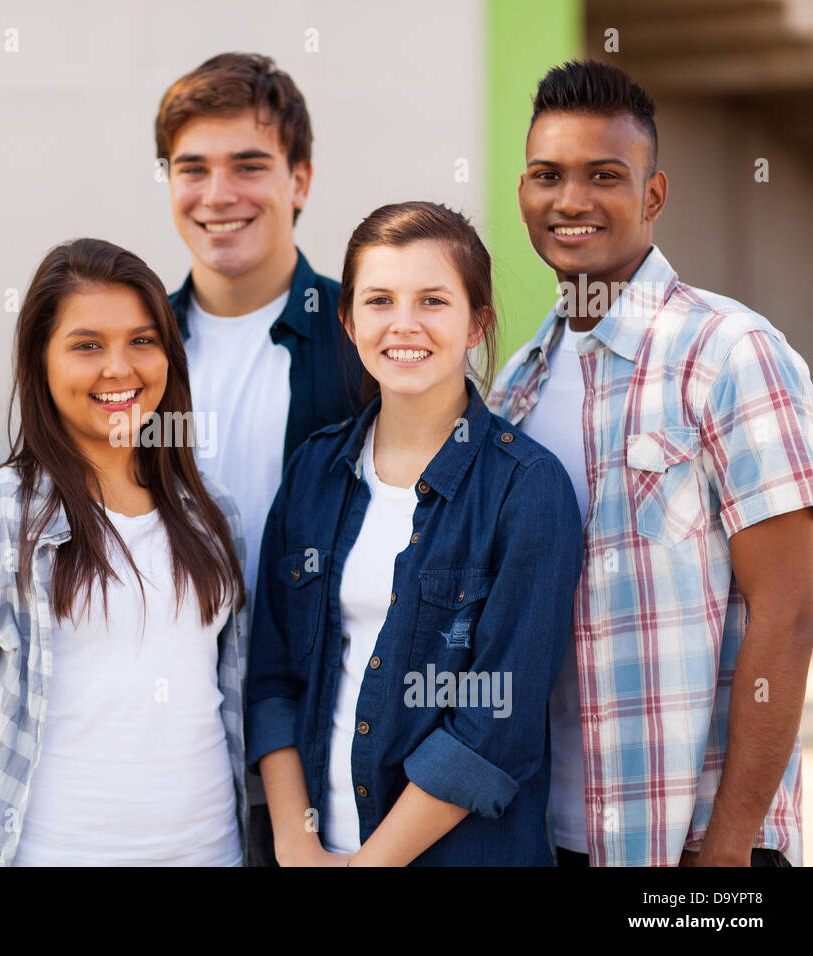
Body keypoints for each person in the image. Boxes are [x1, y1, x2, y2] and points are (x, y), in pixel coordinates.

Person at [491, 58, 813, 867]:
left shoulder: (729, 353)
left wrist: (729, 852)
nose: (571, 200)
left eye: (604, 175)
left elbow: (793, 610)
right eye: (546, 176)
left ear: (654, 196)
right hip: (546, 838)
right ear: (524, 193)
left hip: (693, 845)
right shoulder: (513, 388)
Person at [247, 201, 583, 865]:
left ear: (477, 324)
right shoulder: (314, 471)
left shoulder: (526, 488)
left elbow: (497, 724)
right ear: (347, 320)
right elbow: (273, 680)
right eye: (379, 300)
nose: (405, 325)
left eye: (433, 300)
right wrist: (295, 844)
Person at [0, 238, 249, 866]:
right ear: (42, 361)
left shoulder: (214, 516)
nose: (120, 368)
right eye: (87, 345)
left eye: (142, 341)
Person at [155, 51, 372, 864]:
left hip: (324, 750)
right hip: (171, 753)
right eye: (192, 168)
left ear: (301, 180)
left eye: (250, 165)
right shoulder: (136, 355)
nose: (219, 195)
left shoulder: (364, 345)